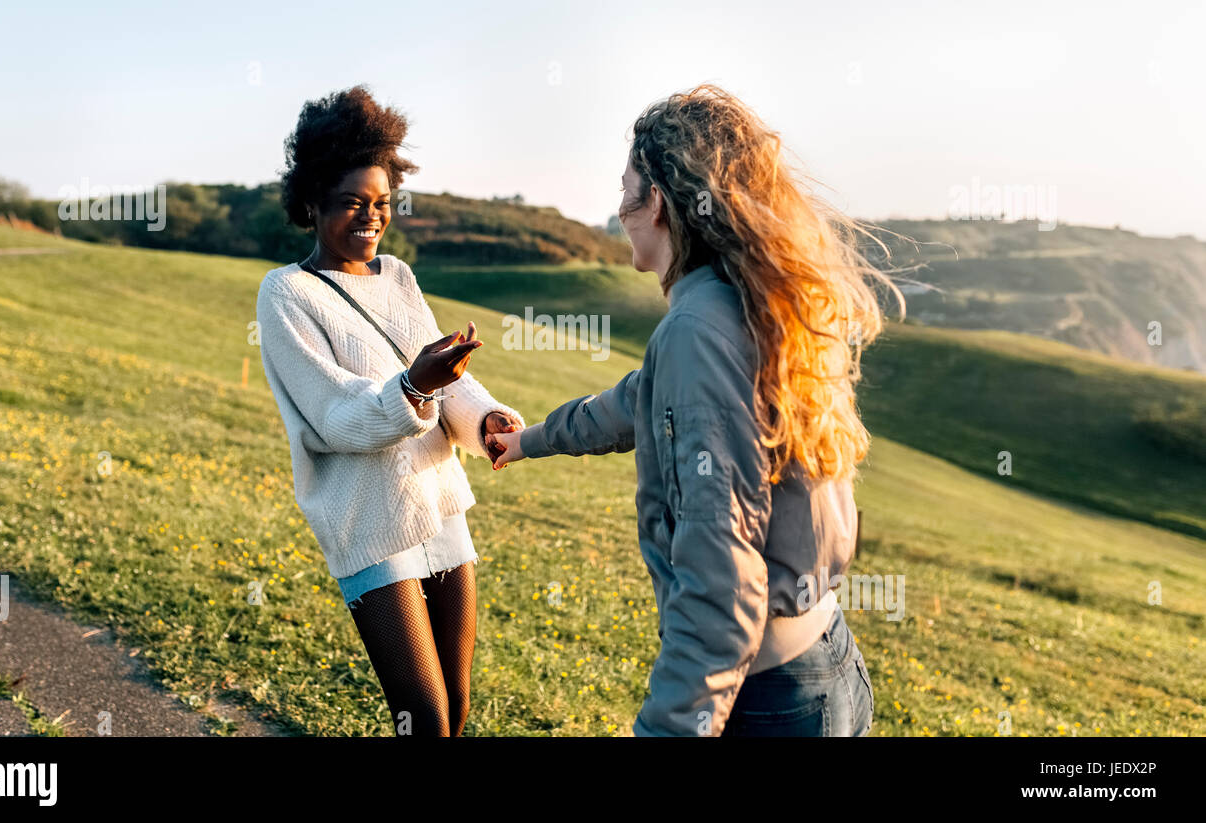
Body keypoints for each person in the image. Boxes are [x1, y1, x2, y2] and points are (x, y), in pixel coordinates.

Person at [488, 84, 903, 737]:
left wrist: (671, 729)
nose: (619, 207)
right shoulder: (751, 303)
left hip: (770, 701)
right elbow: (638, 399)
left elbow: (722, 571)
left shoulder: (697, 329)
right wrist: (531, 440)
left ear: (656, 199)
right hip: (829, 665)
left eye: (626, 188)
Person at [256, 86, 523, 737]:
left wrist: (483, 417)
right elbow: (335, 417)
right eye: (352, 202)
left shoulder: (398, 277)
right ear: (312, 200)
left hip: (439, 505)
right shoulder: (287, 293)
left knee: (456, 707)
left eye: (381, 203)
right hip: (369, 522)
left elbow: (448, 384)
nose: (371, 217)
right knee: (422, 718)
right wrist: (413, 385)